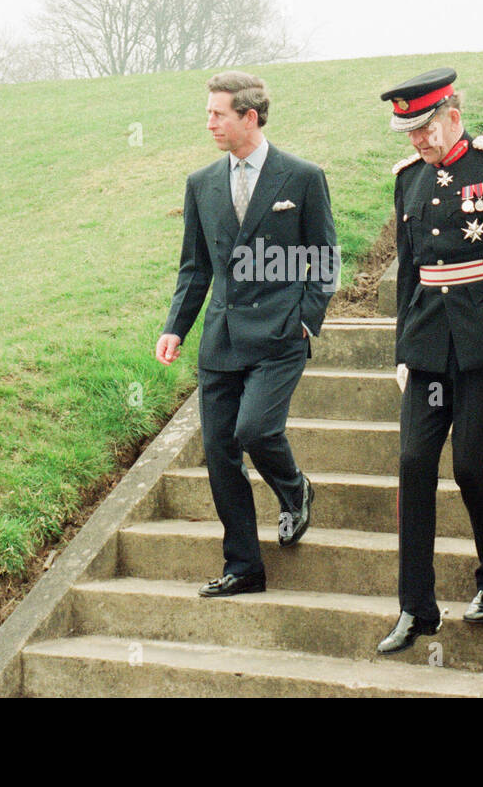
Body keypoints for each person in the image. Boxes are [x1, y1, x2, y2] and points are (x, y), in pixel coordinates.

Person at [379, 68, 483, 654]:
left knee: (471, 466)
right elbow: (408, 273)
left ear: (453, 113)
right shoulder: (407, 180)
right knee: (413, 463)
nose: (419, 141)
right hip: (428, 345)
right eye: (410, 133)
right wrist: (403, 351)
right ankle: (415, 608)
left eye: (424, 127)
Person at [156, 71, 338, 598]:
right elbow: (195, 269)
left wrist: (306, 318)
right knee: (219, 452)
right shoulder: (201, 182)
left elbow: (324, 257)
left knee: (255, 430)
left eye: (218, 113)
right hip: (222, 338)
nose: (208, 122)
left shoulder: (301, 177)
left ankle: (294, 489)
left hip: (280, 335)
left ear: (249, 117)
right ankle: (243, 566)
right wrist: (176, 328)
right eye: (209, 112)